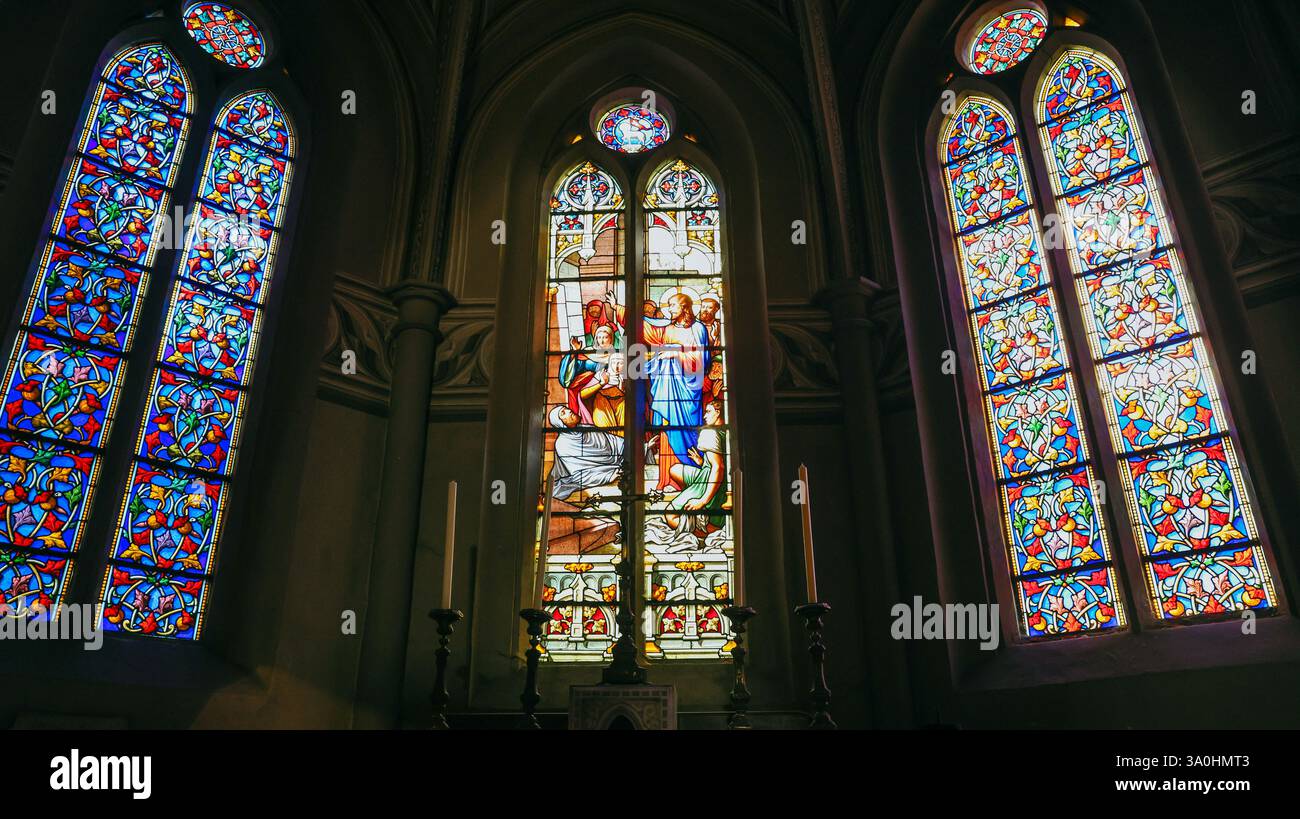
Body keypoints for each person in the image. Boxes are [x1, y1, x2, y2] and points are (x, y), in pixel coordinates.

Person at [664, 399, 727, 532]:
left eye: (708, 412)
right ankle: (690, 493)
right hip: (711, 474)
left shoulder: (710, 432)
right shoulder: (726, 432)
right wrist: (701, 461)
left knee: (670, 515)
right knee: (675, 469)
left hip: (710, 480)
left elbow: (718, 467)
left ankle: (703, 531)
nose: (705, 416)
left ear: (718, 412)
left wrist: (703, 501)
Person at [547, 405, 623, 501]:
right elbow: (579, 475)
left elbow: (615, 442)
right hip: (599, 474)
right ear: (559, 423)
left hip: (617, 462)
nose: (569, 411)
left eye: (567, 409)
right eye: (563, 413)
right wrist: (607, 476)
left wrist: (643, 447)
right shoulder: (563, 444)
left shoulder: (588, 428)